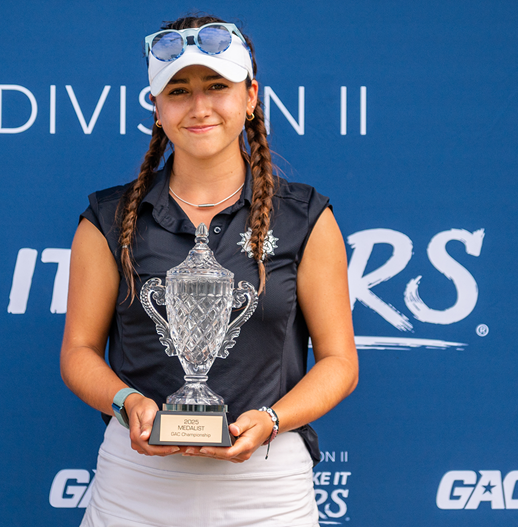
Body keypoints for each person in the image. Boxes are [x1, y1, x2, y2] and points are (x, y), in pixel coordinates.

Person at [60, 14, 358, 527]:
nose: (199, 107)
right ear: (157, 108)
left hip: (268, 490)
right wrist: (127, 401)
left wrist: (270, 420)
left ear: (250, 97)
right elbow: (78, 352)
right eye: (178, 91)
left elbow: (339, 362)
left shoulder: (305, 217)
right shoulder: (109, 219)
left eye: (217, 86)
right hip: (137, 486)